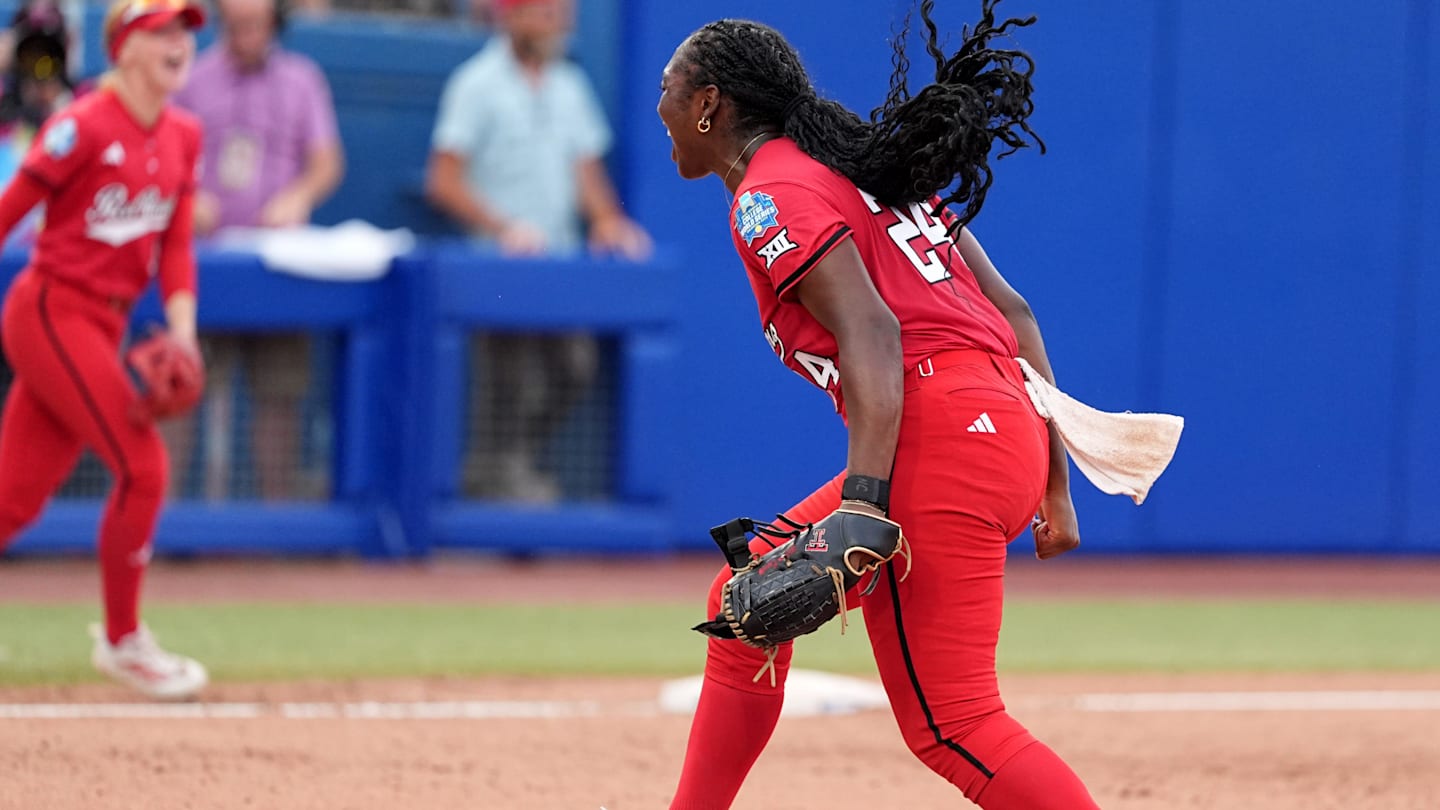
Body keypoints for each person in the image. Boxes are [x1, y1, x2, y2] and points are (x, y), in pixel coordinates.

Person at [657, 4, 1099, 808]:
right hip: (1005, 427)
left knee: (955, 724)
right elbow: (1017, 315)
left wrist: (862, 501)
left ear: (708, 103)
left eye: (668, 89)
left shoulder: (767, 195)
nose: (662, 109)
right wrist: (1054, 485)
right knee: (742, 603)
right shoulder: (868, 168)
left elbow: (874, 330)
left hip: (938, 442)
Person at [0, 0, 208, 699]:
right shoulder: (80, 125)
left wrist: (182, 330)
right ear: (123, 46)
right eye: (162, 31)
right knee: (143, 466)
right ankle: (124, 642)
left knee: (13, 500)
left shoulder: (184, 133)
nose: (178, 42)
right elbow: (8, 214)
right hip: (52, 310)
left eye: (185, 30)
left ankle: (126, 643)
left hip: (108, 322)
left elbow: (175, 243)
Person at [425, 0, 650, 502]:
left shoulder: (570, 86)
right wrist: (502, 227)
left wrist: (610, 221)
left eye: (562, 18)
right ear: (512, 17)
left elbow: (586, 171)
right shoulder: (475, 84)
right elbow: (443, 180)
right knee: (506, 382)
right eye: (545, 15)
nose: (557, 28)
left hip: (561, 270)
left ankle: (507, 467)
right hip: (498, 272)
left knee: (575, 366)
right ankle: (497, 482)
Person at [168, 0, 344, 501]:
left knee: (279, 394)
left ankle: (277, 523)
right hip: (209, 264)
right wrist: (190, 198)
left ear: (274, 24)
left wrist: (299, 197)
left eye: (254, 24)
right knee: (182, 390)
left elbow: (327, 163)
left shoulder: (302, 78)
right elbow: (167, 157)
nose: (244, 34)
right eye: (234, 24)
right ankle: (167, 516)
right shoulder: (194, 79)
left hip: (277, 264)